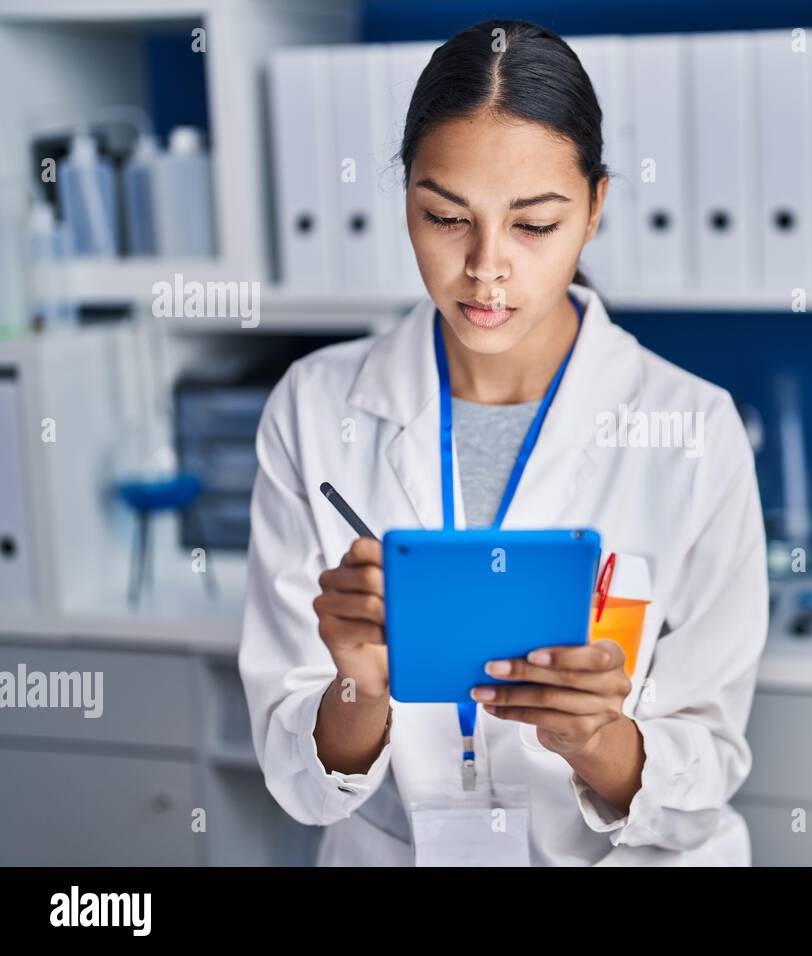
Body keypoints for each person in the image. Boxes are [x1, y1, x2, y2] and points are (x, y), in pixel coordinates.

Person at [238, 18, 768, 866]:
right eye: (446, 217)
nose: (485, 268)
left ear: (595, 207)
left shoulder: (696, 431)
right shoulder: (314, 408)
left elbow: (704, 777)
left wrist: (596, 736)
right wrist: (358, 685)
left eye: (533, 226)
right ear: (407, 197)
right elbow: (298, 780)